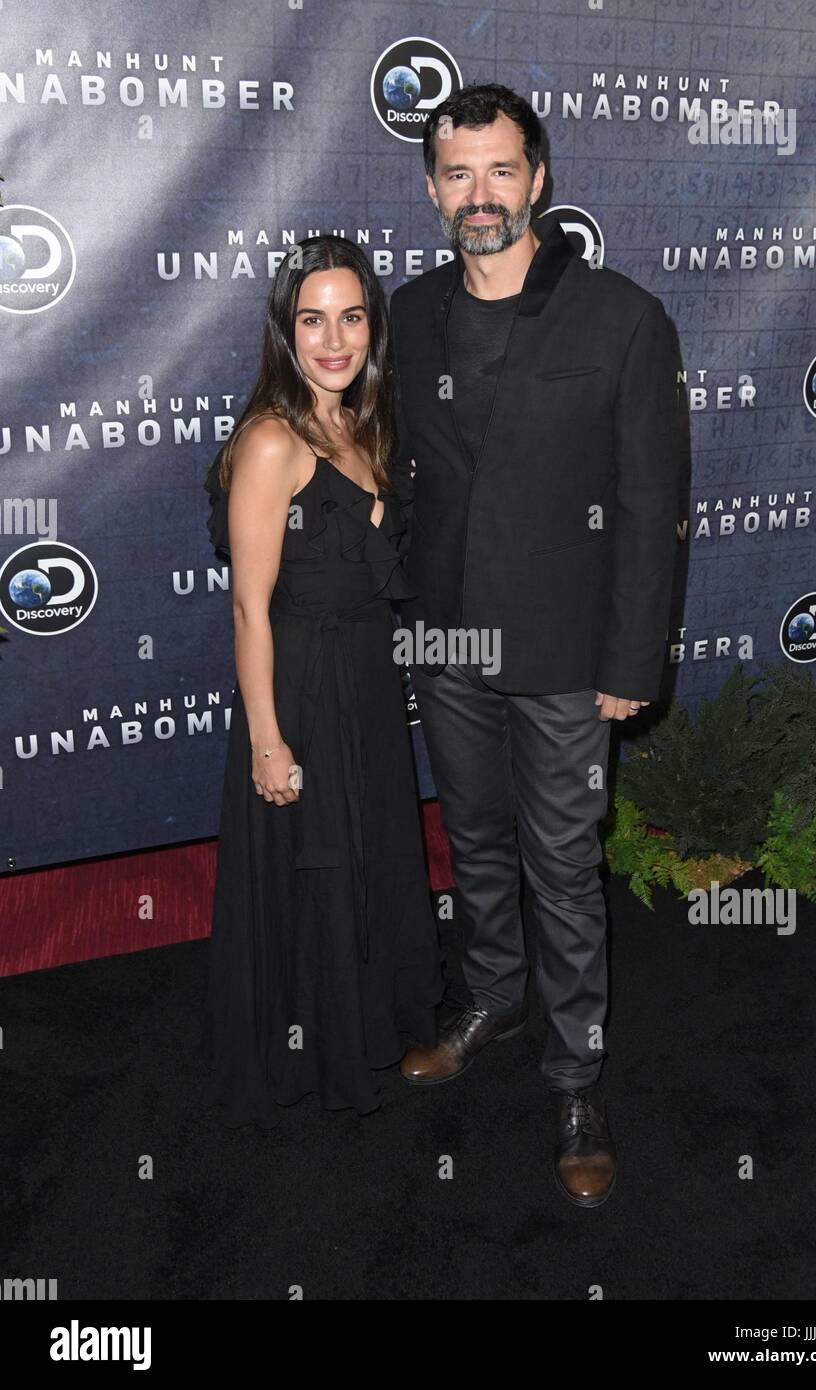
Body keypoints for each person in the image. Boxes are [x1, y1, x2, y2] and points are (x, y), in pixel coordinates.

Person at [389, 85, 681, 1206]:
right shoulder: (409, 315)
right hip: (449, 642)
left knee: (563, 868)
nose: (479, 195)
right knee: (472, 838)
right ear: (430, 188)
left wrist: (629, 663)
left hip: (565, 649)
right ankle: (491, 996)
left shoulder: (619, 317)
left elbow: (650, 503)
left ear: (538, 179)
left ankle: (575, 1076)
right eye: (456, 173)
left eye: (498, 171)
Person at [200, 234, 444, 1130]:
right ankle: (310, 1047)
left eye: (350, 317)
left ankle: (371, 1025)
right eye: (312, 319)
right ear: (284, 330)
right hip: (298, 687)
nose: (333, 339)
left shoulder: (367, 426)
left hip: (371, 686)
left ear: (372, 327)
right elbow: (248, 611)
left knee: (371, 854)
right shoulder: (271, 441)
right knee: (313, 868)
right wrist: (268, 741)